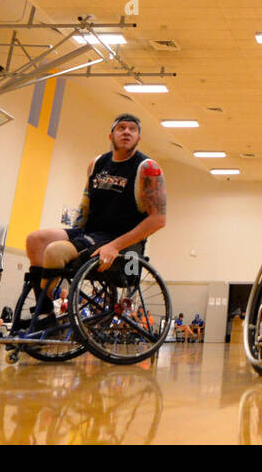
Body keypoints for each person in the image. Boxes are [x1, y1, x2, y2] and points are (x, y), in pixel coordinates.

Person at [24, 113, 167, 335]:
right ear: (111, 135)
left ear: (139, 137)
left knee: (54, 252)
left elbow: (158, 219)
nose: (126, 132)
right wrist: (75, 233)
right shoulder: (97, 163)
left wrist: (115, 246)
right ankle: (44, 313)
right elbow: (85, 202)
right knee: (35, 240)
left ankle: (44, 316)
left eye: (132, 129)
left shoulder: (147, 168)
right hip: (91, 233)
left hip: (121, 241)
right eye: (121, 128)